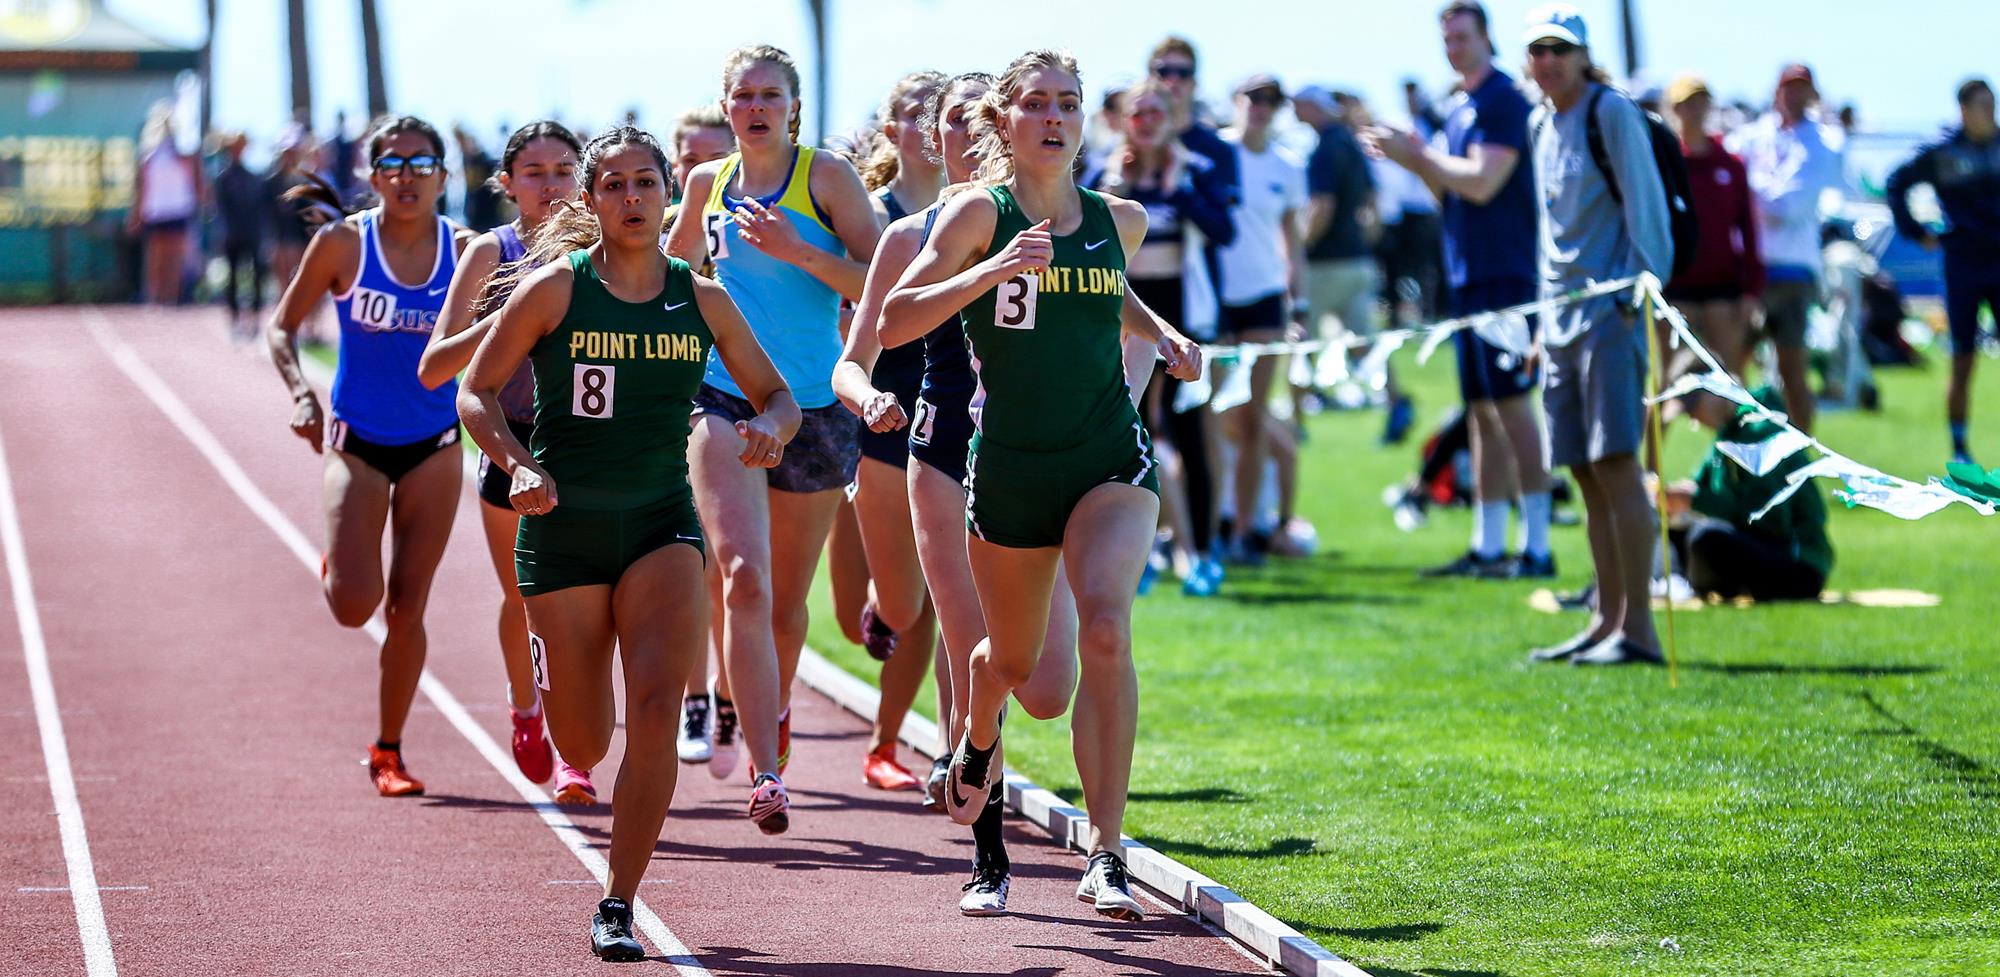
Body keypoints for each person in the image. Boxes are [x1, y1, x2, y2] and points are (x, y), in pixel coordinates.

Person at [459, 126, 799, 961]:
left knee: (654, 711)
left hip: (660, 525)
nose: (632, 198)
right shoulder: (555, 288)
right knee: (584, 741)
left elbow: (779, 396)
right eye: (613, 185)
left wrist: (771, 427)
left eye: (646, 182)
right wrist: (518, 463)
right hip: (562, 530)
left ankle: (618, 901)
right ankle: (553, 679)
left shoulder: (701, 296)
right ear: (591, 201)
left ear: (669, 194)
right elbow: (475, 393)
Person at [882, 49, 1203, 921]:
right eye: (1035, 103)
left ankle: (1106, 852)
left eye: (1068, 102)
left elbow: (1107, 293)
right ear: (1005, 121)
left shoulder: (1118, 218)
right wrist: (988, 271)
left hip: (1108, 455)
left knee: (1105, 627)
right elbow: (895, 320)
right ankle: (978, 729)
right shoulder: (975, 214)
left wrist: (1164, 334)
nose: (1054, 117)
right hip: (1011, 468)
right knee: (1017, 666)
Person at [856, 71, 1084, 915]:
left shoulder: (1053, 221)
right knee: (964, 639)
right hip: (943, 447)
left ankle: (974, 754)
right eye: (945, 120)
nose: (957, 135)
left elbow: (1108, 321)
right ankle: (989, 856)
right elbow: (859, 353)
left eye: (970, 119)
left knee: (1045, 686)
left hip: (1037, 452)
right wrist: (865, 397)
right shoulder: (911, 234)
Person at [664, 44, 880, 832]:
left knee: (786, 601)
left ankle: (766, 705)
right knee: (741, 576)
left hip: (817, 405)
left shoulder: (827, 178)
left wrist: (799, 251)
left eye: (770, 96)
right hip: (721, 392)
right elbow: (667, 276)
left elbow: (884, 281)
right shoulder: (705, 183)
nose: (756, 108)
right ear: (726, 106)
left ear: (793, 107)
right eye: (743, 96)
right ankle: (763, 764)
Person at [264, 116, 475, 793]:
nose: (407, 176)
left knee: (408, 608)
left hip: (436, 446)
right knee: (357, 605)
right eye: (393, 164)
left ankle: (389, 751)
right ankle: (343, 558)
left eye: (422, 164)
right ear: (372, 174)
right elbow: (282, 328)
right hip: (357, 443)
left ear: (443, 175)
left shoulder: (465, 252)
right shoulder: (343, 245)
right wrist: (302, 393)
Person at [417, 121, 595, 804]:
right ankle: (527, 705)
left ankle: (576, 752)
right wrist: (515, 313)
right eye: (534, 173)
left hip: (588, 445)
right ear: (506, 183)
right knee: (527, 599)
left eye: (563, 171)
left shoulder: (604, 246)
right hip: (511, 443)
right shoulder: (492, 252)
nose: (550, 186)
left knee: (587, 605)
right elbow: (436, 366)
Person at [1363, 0, 1558, 579]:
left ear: (1486, 37)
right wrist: (1416, 161)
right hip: (1469, 275)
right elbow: (1448, 192)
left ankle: (1538, 547)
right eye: (1447, 38)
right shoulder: (1461, 105)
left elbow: (1483, 182)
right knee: (1481, 414)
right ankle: (1489, 546)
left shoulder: (1503, 98)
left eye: (1463, 37)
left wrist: (1418, 155)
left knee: (1514, 410)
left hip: (1506, 273)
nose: (1454, 48)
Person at [1522, 5, 1673, 666]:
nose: (1548, 61)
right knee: (1584, 473)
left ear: (1584, 56)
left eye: (1560, 49)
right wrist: (1540, 323)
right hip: (1557, 323)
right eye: (1538, 50)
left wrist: (1630, 302)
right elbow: (1548, 237)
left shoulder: (1611, 112)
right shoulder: (1539, 122)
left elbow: (1649, 218)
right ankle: (1604, 620)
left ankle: (1638, 629)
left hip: (1609, 317)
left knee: (1617, 467)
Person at [1083, 77, 1235, 594]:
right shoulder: (1103, 171)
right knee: (1130, 432)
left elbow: (1224, 231)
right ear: (1123, 121)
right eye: (1137, 113)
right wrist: (1117, 186)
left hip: (1184, 317)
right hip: (1119, 317)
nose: (1146, 123)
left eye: (1156, 113)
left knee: (1190, 434)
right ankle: (1140, 552)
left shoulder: (1196, 170)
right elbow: (1081, 232)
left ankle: (1204, 553)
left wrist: (1178, 189)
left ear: (1173, 119)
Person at [841, 70, 948, 791]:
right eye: (919, 113)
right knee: (901, 607)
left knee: (948, 599)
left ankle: (930, 748)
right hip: (886, 409)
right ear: (893, 130)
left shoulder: (995, 212)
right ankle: (883, 604)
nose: (937, 124)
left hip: (965, 414)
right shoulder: (877, 217)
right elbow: (849, 302)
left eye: (951, 112)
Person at [662, 103, 736, 767]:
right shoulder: (657, 235)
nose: (703, 172)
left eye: (717, 158)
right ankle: (693, 699)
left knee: (730, 572)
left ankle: (728, 693)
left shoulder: (751, 233)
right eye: (692, 160)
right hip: (674, 415)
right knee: (692, 564)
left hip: (739, 407)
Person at [1214, 74, 1309, 565]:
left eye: (1272, 100)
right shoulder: (1216, 151)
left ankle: (1246, 529)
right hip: (1216, 299)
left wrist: (1300, 302)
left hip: (1265, 299)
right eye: (1254, 97)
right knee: (1218, 416)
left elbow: (1293, 240)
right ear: (1237, 101)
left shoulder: (1287, 165)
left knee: (1252, 417)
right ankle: (1214, 521)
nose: (1262, 107)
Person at [1726, 62, 1848, 436]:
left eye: (1801, 88)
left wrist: (1746, 188)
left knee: (1792, 368)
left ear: (1812, 94)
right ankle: (1740, 446)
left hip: (1792, 272)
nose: (1793, 95)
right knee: (1731, 364)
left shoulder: (1822, 142)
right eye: (1788, 87)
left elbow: (1790, 206)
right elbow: (1728, 172)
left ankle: (1803, 452)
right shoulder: (1754, 134)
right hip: (1748, 270)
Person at [1886, 78, 2000, 466]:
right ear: (1964, 111)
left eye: (1993, 104)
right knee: (1963, 359)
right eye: (1983, 106)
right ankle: (1961, 449)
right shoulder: (1943, 151)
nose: (1990, 113)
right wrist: (1917, 232)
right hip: (1963, 264)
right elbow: (1896, 183)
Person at [1296, 85, 1405, 443]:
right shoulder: (1351, 143)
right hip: (1358, 259)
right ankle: (1397, 403)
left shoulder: (1325, 148)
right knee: (1365, 344)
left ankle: (1295, 421)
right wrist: (1363, 240)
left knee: (1300, 344)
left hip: (1325, 264)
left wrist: (1301, 244)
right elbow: (1372, 202)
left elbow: (1322, 206)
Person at [1663, 387, 1832, 601]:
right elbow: (1699, 485)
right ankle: (1679, 582)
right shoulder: (1726, 435)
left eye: (1694, 407)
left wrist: (1696, 501)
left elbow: (1770, 518)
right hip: (1763, 548)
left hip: (1797, 562)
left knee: (1707, 536)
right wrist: (1675, 498)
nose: (1694, 419)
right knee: (1677, 525)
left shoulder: (1762, 433)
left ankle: (1700, 583)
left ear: (1716, 393)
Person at [1662, 75, 1764, 381]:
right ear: (1674, 109)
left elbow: (1747, 228)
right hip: (1676, 286)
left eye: (1701, 103)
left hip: (1723, 288)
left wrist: (1751, 290)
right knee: (1670, 380)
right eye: (1687, 104)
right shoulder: (1664, 163)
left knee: (1731, 378)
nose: (1695, 111)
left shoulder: (1730, 164)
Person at [130, 106, 201, 306]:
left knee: (175, 259)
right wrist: (137, 214)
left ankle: (170, 298)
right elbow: (142, 188)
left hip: (178, 211)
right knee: (156, 259)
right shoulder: (148, 157)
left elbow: (196, 183)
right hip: (155, 212)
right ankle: (156, 298)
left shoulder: (185, 156)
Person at [214, 132, 271, 338]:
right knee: (233, 277)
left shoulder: (253, 177)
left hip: (252, 233)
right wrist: (224, 233)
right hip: (233, 235)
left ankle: (255, 317)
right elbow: (220, 210)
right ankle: (235, 318)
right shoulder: (224, 178)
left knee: (257, 276)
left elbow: (261, 208)